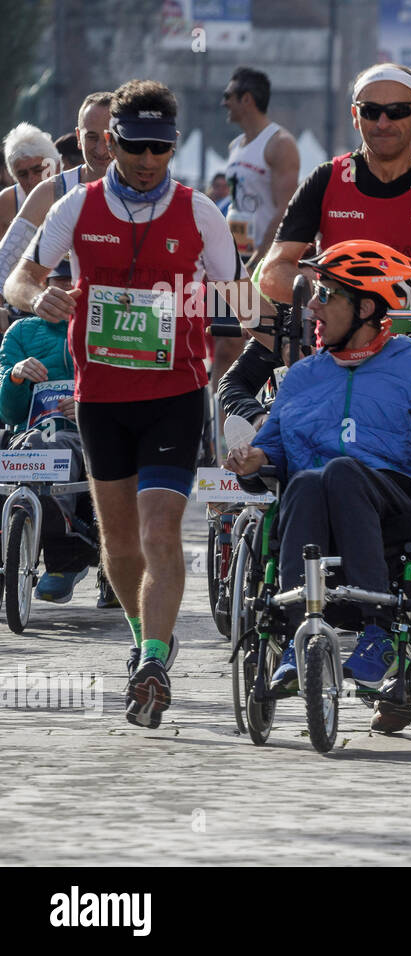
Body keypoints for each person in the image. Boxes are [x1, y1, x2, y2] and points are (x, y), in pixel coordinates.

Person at [4, 79, 255, 729]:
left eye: (161, 149)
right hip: (100, 396)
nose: (148, 161)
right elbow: (21, 277)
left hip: (173, 394)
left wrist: (233, 317)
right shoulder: (77, 207)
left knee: (157, 530)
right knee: (118, 545)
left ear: (174, 148)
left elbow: (236, 297)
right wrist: (39, 299)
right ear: (111, 141)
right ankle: (148, 633)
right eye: (137, 146)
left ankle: (151, 662)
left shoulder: (199, 212)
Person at [225, 240, 411, 733]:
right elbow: (271, 449)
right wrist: (254, 457)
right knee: (309, 480)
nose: (312, 306)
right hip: (311, 505)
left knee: (337, 471)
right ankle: (298, 640)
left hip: (391, 503)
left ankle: (380, 631)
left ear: (365, 307)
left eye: (325, 294)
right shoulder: (300, 377)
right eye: (314, 293)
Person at [261, 63, 411, 340]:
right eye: (370, 111)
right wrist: (331, 296)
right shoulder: (326, 179)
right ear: (355, 115)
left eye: (397, 111)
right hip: (336, 361)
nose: (383, 123)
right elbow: (272, 272)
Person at [0, 258, 98, 602]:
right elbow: (8, 411)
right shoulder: (21, 333)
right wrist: (14, 375)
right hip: (30, 431)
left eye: (72, 281)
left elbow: (128, 384)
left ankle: (66, 555)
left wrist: (86, 402)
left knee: (58, 442)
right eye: (56, 281)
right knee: (36, 442)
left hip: (90, 431)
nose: (63, 290)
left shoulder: (102, 328)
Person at [0, 94, 113, 321]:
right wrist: (37, 299)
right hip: (57, 330)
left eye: (109, 138)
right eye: (92, 138)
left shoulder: (148, 192)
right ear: (79, 137)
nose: (102, 149)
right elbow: (5, 269)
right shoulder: (52, 192)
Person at [222, 67, 299, 268]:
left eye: (228, 96)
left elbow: (286, 211)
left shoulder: (280, 143)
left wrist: (258, 260)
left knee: (249, 302)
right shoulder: (235, 145)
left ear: (247, 99)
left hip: (262, 261)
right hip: (234, 257)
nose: (224, 103)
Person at [0, 123, 60, 240]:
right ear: (14, 176)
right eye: (22, 174)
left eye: (38, 170)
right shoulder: (7, 202)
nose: (31, 179)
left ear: (56, 168)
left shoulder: (75, 192)